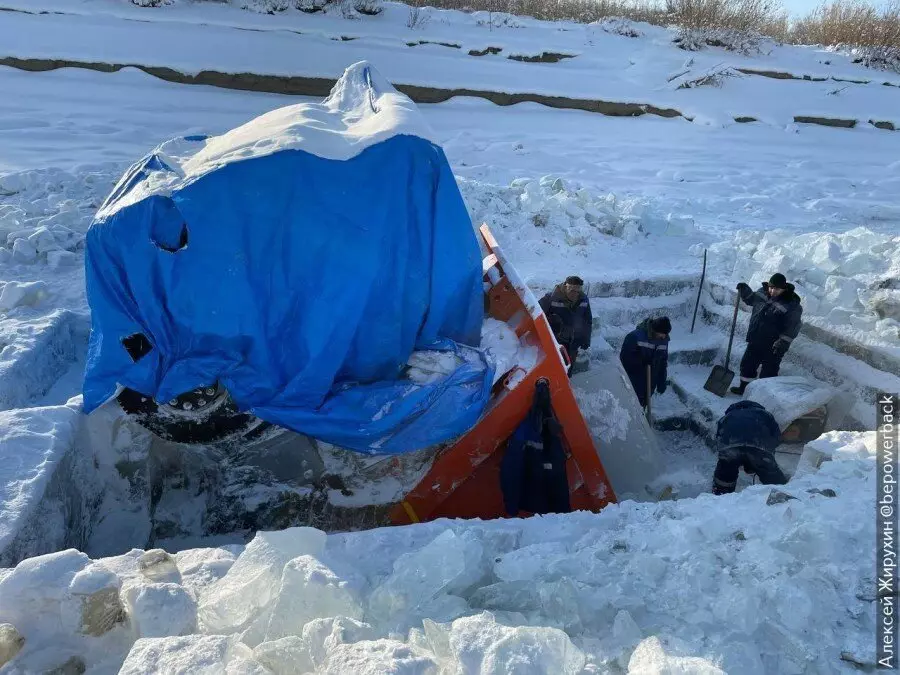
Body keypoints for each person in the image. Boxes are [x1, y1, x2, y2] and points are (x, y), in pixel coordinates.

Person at [500, 378, 571, 516]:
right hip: (543, 504)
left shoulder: (526, 433)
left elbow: (511, 471)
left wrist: (511, 508)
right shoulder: (547, 436)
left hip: (534, 502)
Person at [731, 273, 803, 396]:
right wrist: (744, 290)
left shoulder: (791, 305)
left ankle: (764, 397)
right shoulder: (762, 293)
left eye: (777, 289)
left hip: (773, 345)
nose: (772, 291)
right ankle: (744, 389)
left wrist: (782, 343)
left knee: (768, 372)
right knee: (747, 365)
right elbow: (751, 299)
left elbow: (792, 328)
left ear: (784, 288)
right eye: (771, 287)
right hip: (756, 339)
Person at [712, 400, 787, 495]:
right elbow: (776, 436)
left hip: (730, 447)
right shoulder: (766, 415)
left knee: (725, 471)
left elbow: (719, 437)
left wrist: (726, 454)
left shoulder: (726, 417)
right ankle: (783, 494)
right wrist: (768, 453)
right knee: (770, 474)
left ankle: (720, 494)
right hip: (759, 446)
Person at [539, 276, 592, 369]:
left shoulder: (583, 299)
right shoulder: (551, 298)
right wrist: (551, 321)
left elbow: (587, 321)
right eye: (572, 290)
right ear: (565, 287)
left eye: (578, 291)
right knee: (554, 368)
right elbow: (537, 314)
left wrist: (586, 339)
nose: (575, 294)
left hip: (573, 343)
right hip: (556, 342)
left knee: (568, 367)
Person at [619, 316, 671, 408]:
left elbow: (663, 362)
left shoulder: (663, 341)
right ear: (655, 329)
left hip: (651, 381)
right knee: (633, 405)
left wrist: (661, 382)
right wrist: (642, 363)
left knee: (644, 405)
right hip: (635, 380)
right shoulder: (635, 337)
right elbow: (624, 358)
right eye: (662, 333)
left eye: (666, 334)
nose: (664, 336)